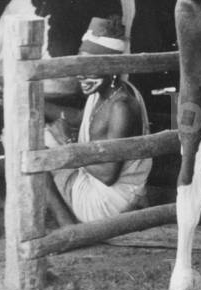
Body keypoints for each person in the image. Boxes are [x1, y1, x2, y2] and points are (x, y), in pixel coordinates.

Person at [43, 16, 151, 225]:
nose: (80, 76)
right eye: (80, 64)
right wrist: (37, 105)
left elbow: (108, 175)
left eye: (89, 67)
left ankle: (70, 227)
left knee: (36, 154)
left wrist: (68, 144)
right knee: (45, 139)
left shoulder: (122, 107)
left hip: (107, 203)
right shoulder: (102, 94)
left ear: (110, 68)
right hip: (109, 191)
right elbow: (78, 118)